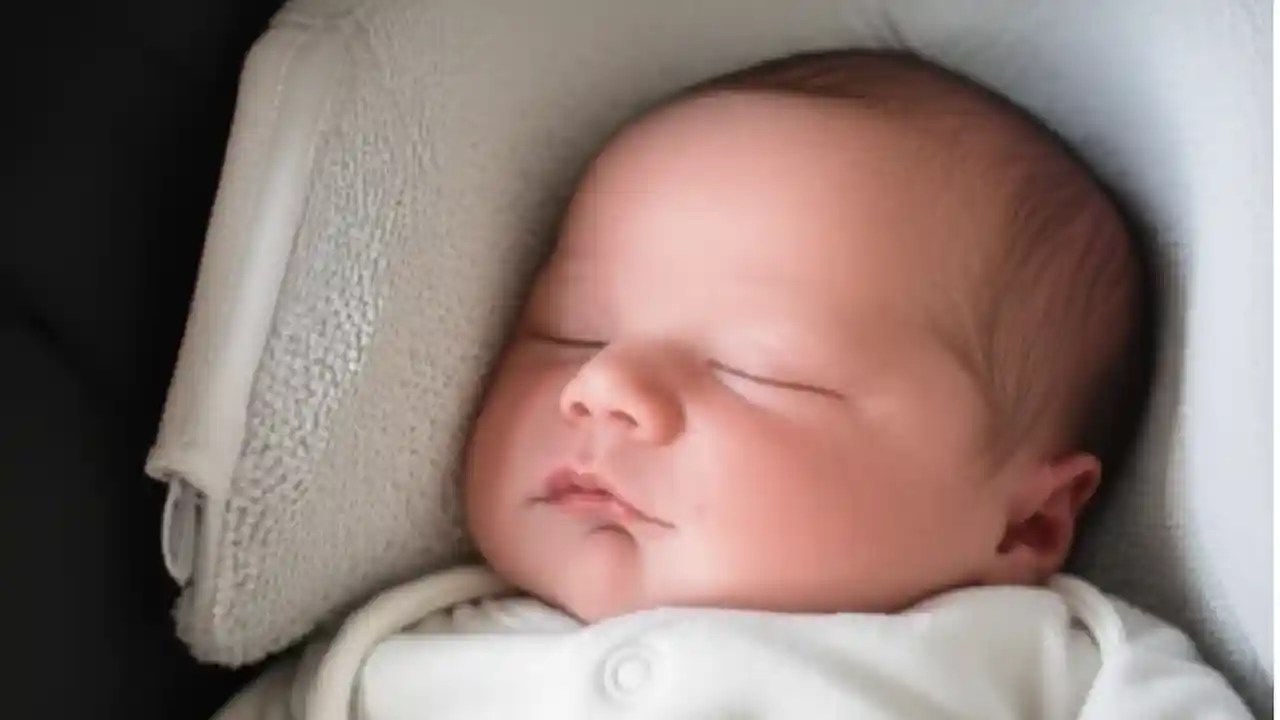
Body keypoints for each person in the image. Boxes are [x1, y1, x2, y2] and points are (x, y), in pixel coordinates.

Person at [216, 49, 1251, 719]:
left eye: (758, 368)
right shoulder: (386, 665)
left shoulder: (1059, 669)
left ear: (1022, 527)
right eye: (567, 334)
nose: (604, 387)